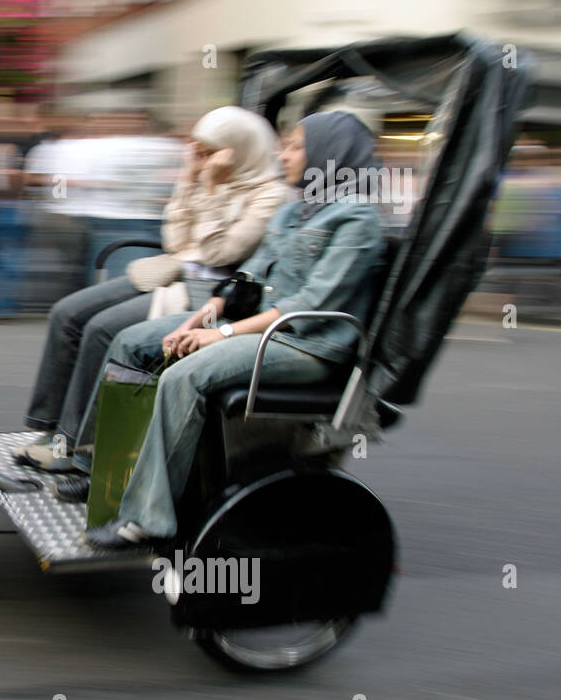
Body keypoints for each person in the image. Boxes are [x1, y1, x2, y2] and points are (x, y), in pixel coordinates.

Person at [78, 111, 386, 549]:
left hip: (307, 345)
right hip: (258, 329)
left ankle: (147, 518)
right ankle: (99, 471)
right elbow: (249, 277)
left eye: (297, 146)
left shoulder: (356, 222)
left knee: (184, 375)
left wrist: (221, 335)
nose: (285, 153)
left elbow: (311, 305)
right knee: (131, 340)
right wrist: (204, 315)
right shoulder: (294, 212)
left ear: (328, 156)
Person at [16, 106, 290, 471]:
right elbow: (175, 240)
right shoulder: (212, 179)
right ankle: (48, 426)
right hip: (171, 273)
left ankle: (75, 444)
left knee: (101, 328)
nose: (204, 161)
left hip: (207, 292)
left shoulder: (269, 196)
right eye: (200, 154)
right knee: (67, 312)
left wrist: (208, 188)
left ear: (239, 151)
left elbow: (218, 251)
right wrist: (187, 180)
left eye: (210, 153)